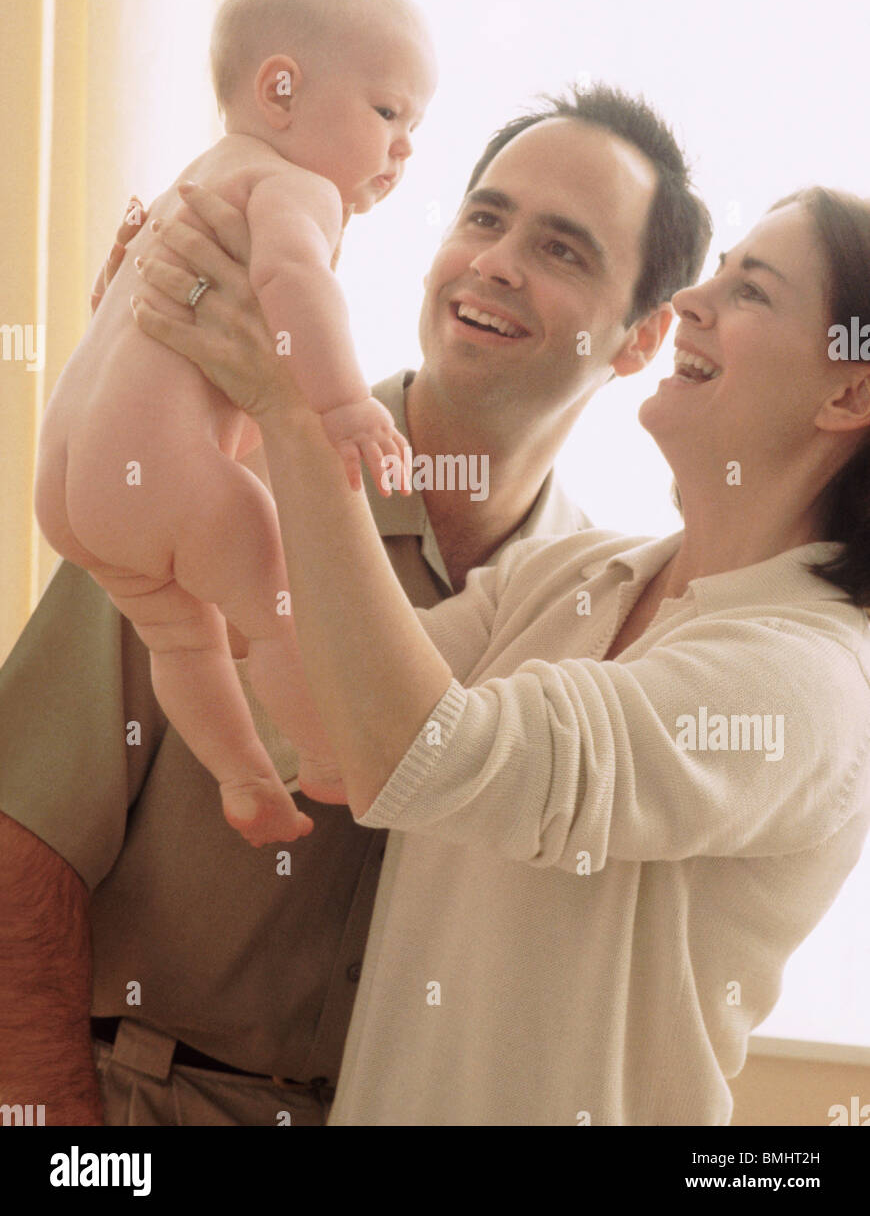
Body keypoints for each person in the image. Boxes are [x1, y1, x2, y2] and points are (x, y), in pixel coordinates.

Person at [0, 83, 711, 1125]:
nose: (497, 262)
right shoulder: (204, 463)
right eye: (485, 217)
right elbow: (21, 840)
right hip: (123, 1105)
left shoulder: (598, 619)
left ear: (640, 339)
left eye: (562, 249)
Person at [133, 182, 870, 1126]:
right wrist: (190, 401)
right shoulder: (570, 573)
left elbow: (435, 755)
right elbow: (322, 727)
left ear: (850, 389)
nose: (693, 301)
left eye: (753, 292)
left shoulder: (811, 680)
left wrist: (291, 402)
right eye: (716, 273)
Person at [33, 0, 436, 846]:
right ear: (280, 89)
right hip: (167, 481)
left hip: (65, 486)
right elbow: (296, 283)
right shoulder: (299, 189)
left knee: (181, 638)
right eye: (388, 112)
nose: (405, 148)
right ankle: (330, 759)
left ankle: (245, 777)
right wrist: (340, 406)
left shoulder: (201, 177)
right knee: (276, 608)